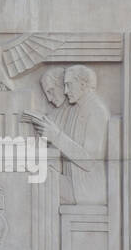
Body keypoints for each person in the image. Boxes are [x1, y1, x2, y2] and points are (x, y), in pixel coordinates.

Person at [26, 65, 108, 205]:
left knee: (34, 180)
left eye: (69, 85)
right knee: (32, 175)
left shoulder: (96, 111)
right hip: (73, 183)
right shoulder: (77, 109)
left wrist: (55, 136)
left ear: (82, 85)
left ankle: (45, 227)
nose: (65, 91)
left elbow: (89, 161)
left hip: (85, 189)